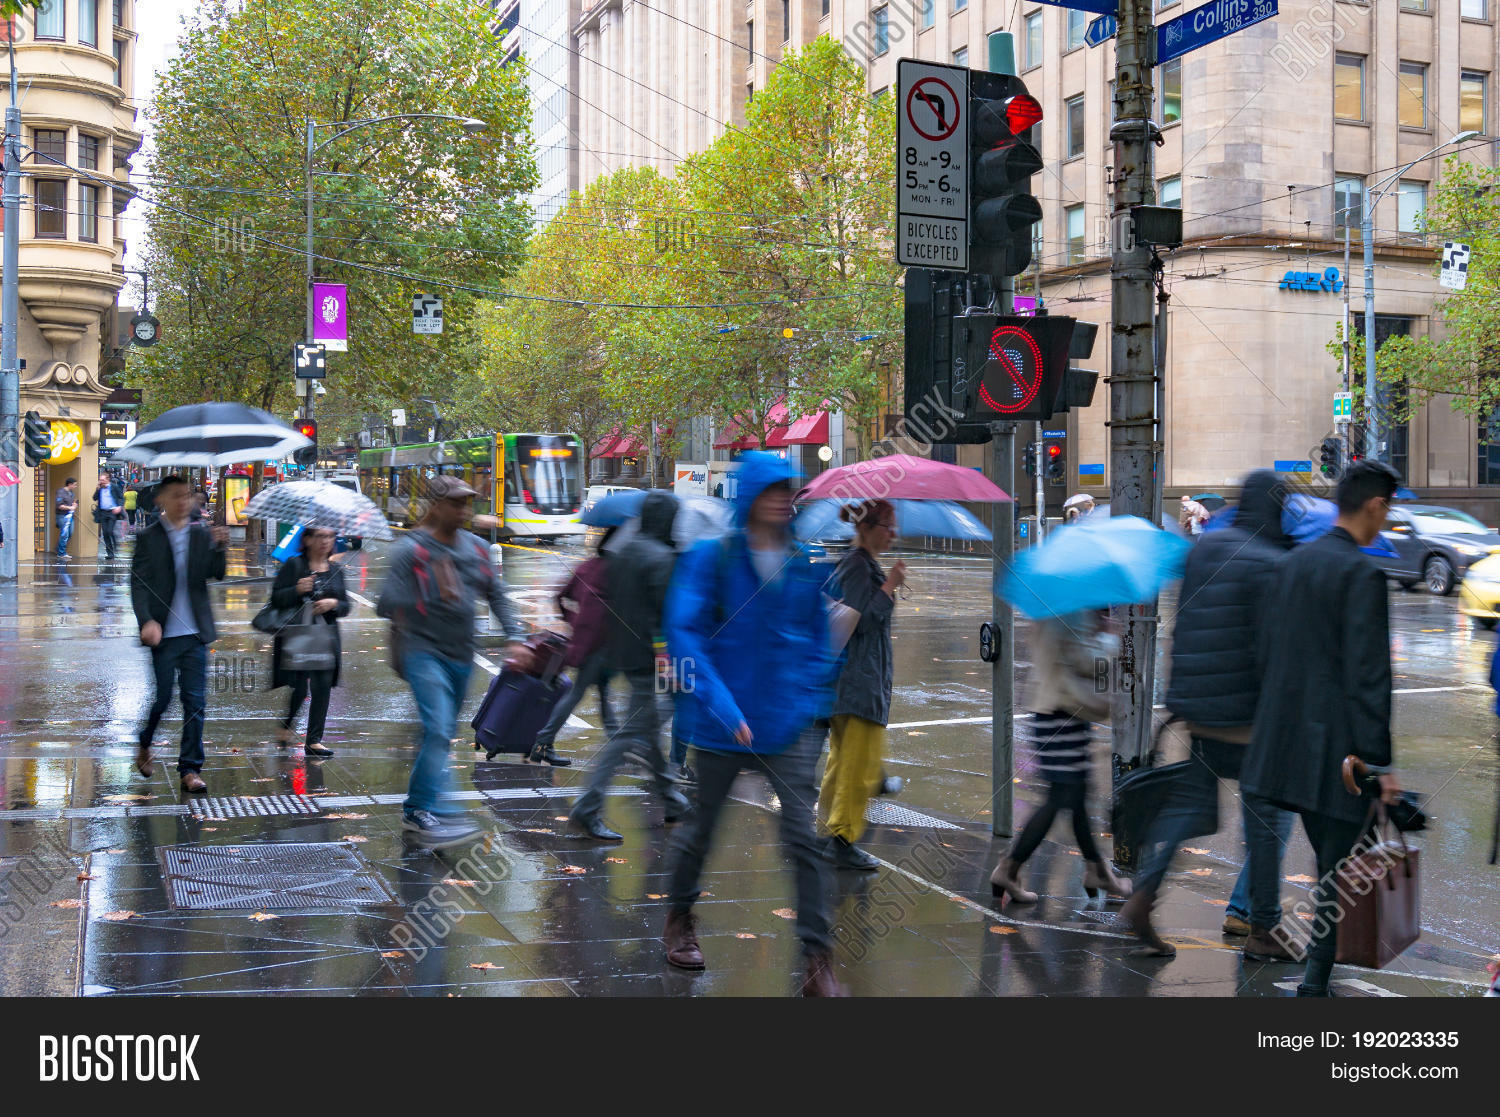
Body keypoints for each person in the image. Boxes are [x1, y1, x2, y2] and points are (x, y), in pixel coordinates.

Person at [660, 452, 844, 996]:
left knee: (803, 841)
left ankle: (818, 958)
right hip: (722, 726)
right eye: (773, 491)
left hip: (786, 724)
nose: (785, 500)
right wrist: (720, 703)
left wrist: (808, 692)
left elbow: (818, 635)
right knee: (702, 830)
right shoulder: (711, 560)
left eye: (791, 491)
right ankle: (679, 919)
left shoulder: (804, 560)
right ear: (750, 498)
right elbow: (684, 636)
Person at [1241, 460, 1404, 997]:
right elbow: (1368, 676)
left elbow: (1265, 652)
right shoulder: (1362, 574)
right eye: (1389, 509)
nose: (1387, 519)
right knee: (1336, 869)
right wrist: (1377, 760)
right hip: (1339, 756)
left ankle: (1318, 974)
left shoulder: (1291, 565)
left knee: (1331, 860)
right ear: (1375, 505)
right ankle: (1315, 981)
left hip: (1286, 743)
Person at [1120, 471, 1299, 960]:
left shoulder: (1207, 550)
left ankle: (1144, 895)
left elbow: (1186, 624)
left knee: (1186, 807)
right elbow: (1272, 649)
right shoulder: (1269, 561)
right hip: (1248, 718)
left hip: (1199, 709)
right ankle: (1262, 926)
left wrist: (1181, 698)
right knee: (1268, 818)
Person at [377, 475, 525, 849]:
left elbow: (498, 595)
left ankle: (418, 805)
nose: (464, 511)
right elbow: (385, 603)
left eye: (467, 503)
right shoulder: (409, 550)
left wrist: (516, 638)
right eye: (456, 504)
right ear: (436, 505)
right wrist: (431, 591)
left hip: (462, 655)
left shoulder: (477, 548)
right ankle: (427, 811)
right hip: (420, 651)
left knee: (437, 732)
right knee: (440, 728)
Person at [567, 491, 690, 841]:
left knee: (646, 730)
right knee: (626, 736)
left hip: (619, 651)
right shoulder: (662, 557)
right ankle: (587, 807)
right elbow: (662, 617)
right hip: (647, 659)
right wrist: (667, 658)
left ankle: (670, 798)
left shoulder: (624, 550)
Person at [989, 610, 1132, 905]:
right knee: (1062, 796)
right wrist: (1109, 639)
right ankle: (1009, 866)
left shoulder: (1057, 601)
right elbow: (1083, 658)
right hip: (1062, 712)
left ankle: (1096, 870)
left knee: (1076, 795)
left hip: (1058, 709)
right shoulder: (1073, 607)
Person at [818, 498, 906, 871]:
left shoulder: (860, 564)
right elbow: (863, 619)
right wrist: (890, 586)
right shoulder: (857, 566)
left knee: (844, 763)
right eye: (888, 526)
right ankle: (841, 838)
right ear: (868, 528)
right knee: (858, 766)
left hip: (856, 681)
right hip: (859, 682)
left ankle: (828, 830)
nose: (893, 533)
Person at [130, 476, 229, 794]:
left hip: (195, 633)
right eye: (176, 496)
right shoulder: (149, 537)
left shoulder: (200, 534)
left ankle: (190, 769)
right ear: (161, 500)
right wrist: (146, 621)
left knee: (195, 702)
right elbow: (138, 584)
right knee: (163, 698)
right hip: (163, 634)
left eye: (187, 495)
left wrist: (220, 546)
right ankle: (145, 742)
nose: (184, 501)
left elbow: (215, 573)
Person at [529, 526, 620, 767]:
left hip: (587, 644)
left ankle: (619, 744)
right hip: (597, 648)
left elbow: (559, 596)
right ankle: (542, 742)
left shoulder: (587, 566)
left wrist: (572, 621)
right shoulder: (613, 572)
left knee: (601, 695)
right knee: (576, 695)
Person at [268, 526, 350, 757]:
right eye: (320, 536)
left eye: (330, 536)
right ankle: (286, 725)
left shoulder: (335, 569)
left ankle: (314, 740)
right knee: (300, 687)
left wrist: (332, 604)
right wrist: (296, 589)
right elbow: (275, 598)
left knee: (322, 687)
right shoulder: (294, 566)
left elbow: (345, 606)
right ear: (307, 539)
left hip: (326, 638)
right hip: (297, 637)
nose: (326, 541)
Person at [93, 471, 126, 561]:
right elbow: (94, 498)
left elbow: (121, 497)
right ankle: (110, 553)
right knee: (105, 533)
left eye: (102, 480)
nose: (101, 481)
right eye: (100, 480)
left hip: (112, 512)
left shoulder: (114, 487)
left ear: (108, 479)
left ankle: (115, 547)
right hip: (103, 513)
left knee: (110, 531)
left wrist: (119, 506)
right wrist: (97, 489)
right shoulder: (100, 488)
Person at [55, 477, 78, 559]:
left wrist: (74, 505)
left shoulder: (71, 493)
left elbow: (73, 503)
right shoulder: (60, 492)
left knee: (70, 533)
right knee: (65, 534)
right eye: (75, 485)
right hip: (62, 516)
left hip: (70, 516)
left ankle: (59, 549)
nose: (76, 486)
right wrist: (70, 508)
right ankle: (61, 553)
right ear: (69, 484)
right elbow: (59, 505)